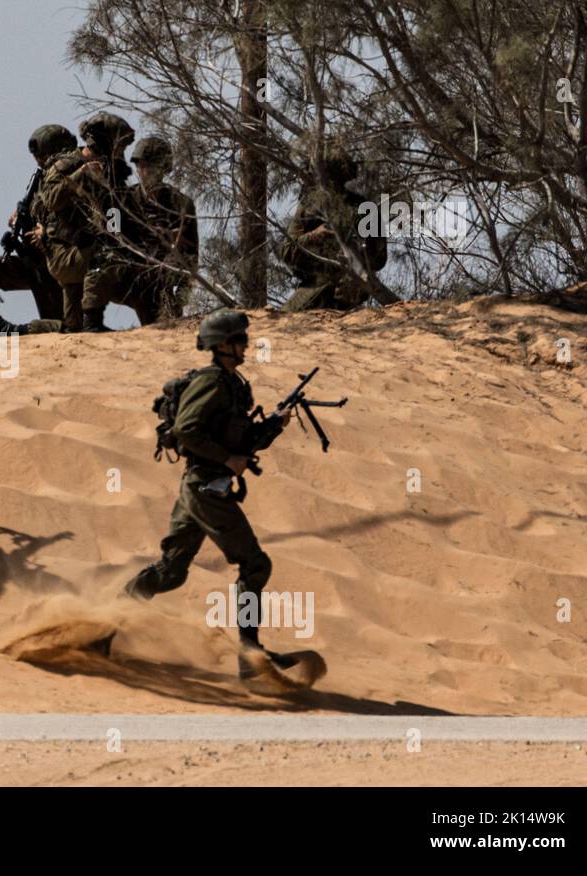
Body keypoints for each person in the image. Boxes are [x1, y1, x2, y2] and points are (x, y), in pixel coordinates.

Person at [123, 308, 293, 669]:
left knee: (171, 571)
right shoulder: (212, 382)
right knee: (255, 564)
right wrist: (227, 459)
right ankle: (250, 652)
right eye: (241, 340)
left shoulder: (233, 385)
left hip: (199, 487)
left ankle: (108, 620)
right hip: (205, 487)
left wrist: (275, 425)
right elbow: (186, 429)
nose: (247, 346)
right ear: (224, 345)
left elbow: (241, 440)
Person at [81, 135, 199, 330]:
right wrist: (102, 193)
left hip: (158, 285)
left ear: (163, 168)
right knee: (96, 274)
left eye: (149, 167)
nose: (144, 172)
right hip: (127, 277)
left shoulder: (181, 204)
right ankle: (90, 330)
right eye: (140, 166)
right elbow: (110, 235)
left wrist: (179, 300)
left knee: (164, 335)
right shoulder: (124, 198)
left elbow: (191, 259)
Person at [31, 112, 135, 333]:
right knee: (109, 253)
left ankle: (17, 330)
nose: (121, 152)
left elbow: (116, 215)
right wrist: (83, 174)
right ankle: (93, 324)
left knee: (71, 329)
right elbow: (50, 200)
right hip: (64, 254)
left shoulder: (111, 171)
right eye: (119, 146)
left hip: (87, 252)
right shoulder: (67, 165)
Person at [0, 124, 70, 335]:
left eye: (43, 156)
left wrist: (47, 233)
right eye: (37, 157)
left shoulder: (76, 181)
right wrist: (19, 228)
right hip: (33, 263)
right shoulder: (41, 181)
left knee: (64, 329)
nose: (39, 162)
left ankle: (9, 330)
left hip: (61, 270)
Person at [280, 152, 386, 312]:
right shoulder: (308, 208)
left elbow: (379, 259)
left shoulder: (364, 208)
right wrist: (315, 235)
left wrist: (356, 254)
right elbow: (287, 251)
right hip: (313, 289)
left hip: (350, 292)